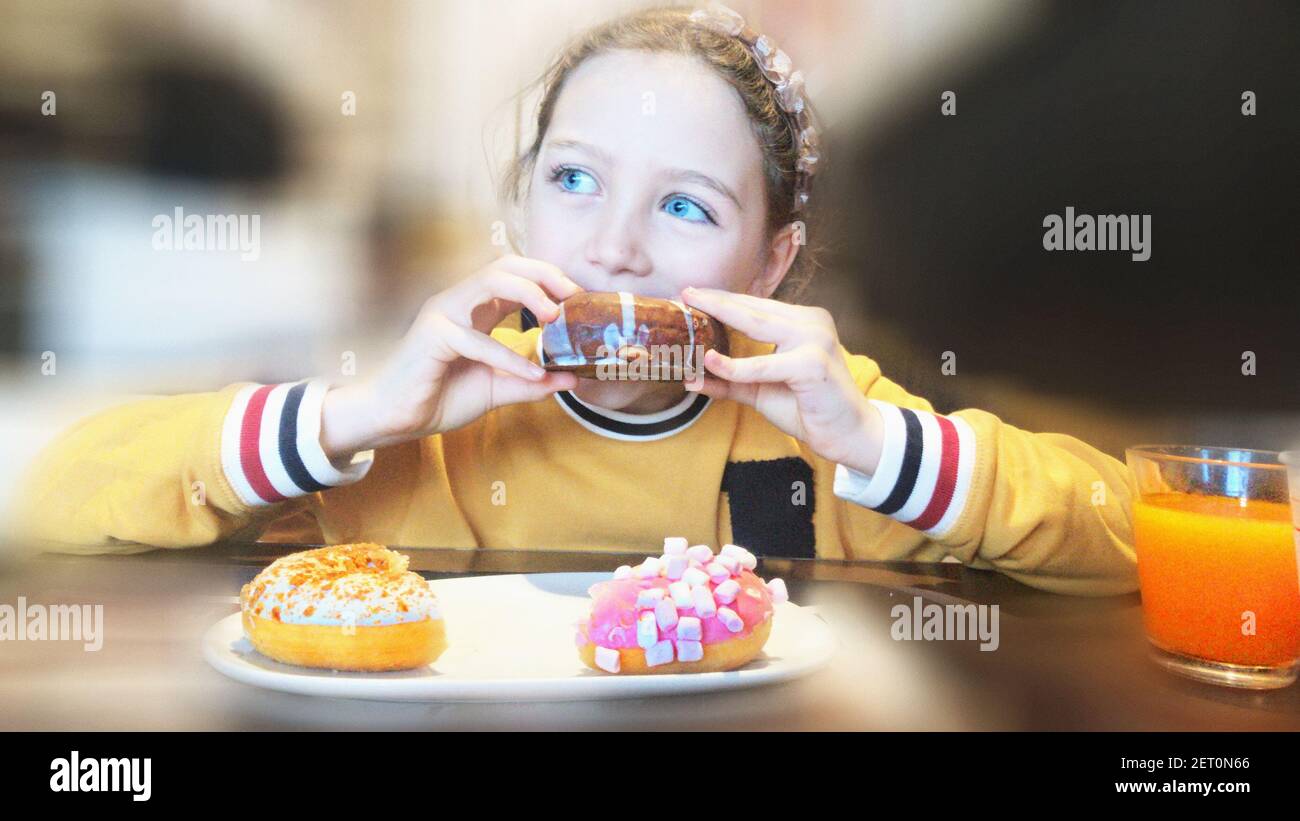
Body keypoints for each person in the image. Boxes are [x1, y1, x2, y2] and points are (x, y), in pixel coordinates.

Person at [14, 4, 1138, 595]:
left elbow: (1133, 537)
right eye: (574, 180)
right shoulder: (420, 437)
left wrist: (885, 445)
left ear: (769, 263)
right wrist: (351, 416)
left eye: (686, 207)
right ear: (521, 210)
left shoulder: (828, 429)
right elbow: (60, 491)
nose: (613, 245)